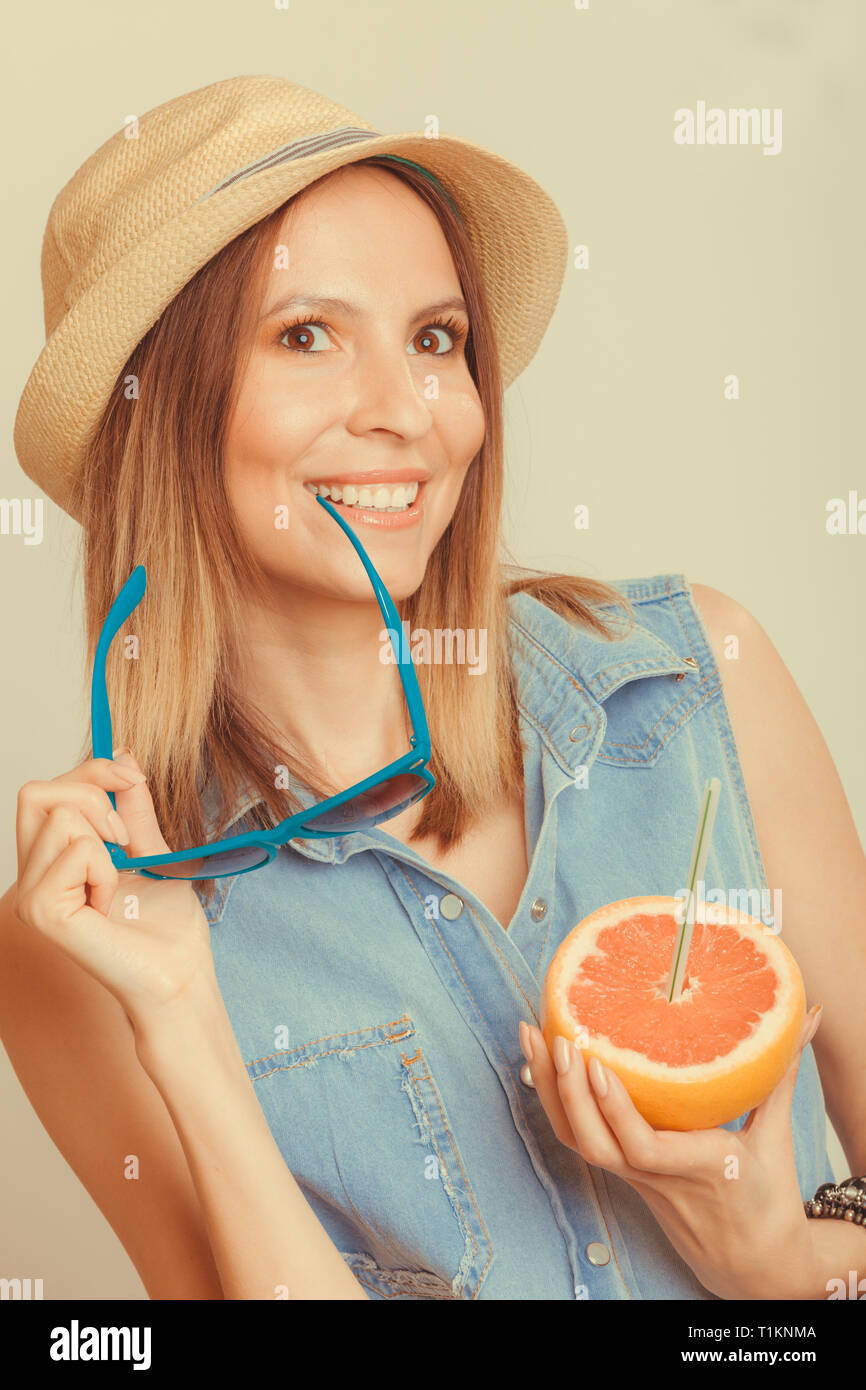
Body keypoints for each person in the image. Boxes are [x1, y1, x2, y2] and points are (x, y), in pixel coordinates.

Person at [2, 75, 864, 1302]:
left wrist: (784, 1266)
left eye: (434, 340)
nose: (406, 411)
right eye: (306, 335)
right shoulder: (78, 939)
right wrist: (186, 1020)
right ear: (166, 417)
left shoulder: (695, 683)